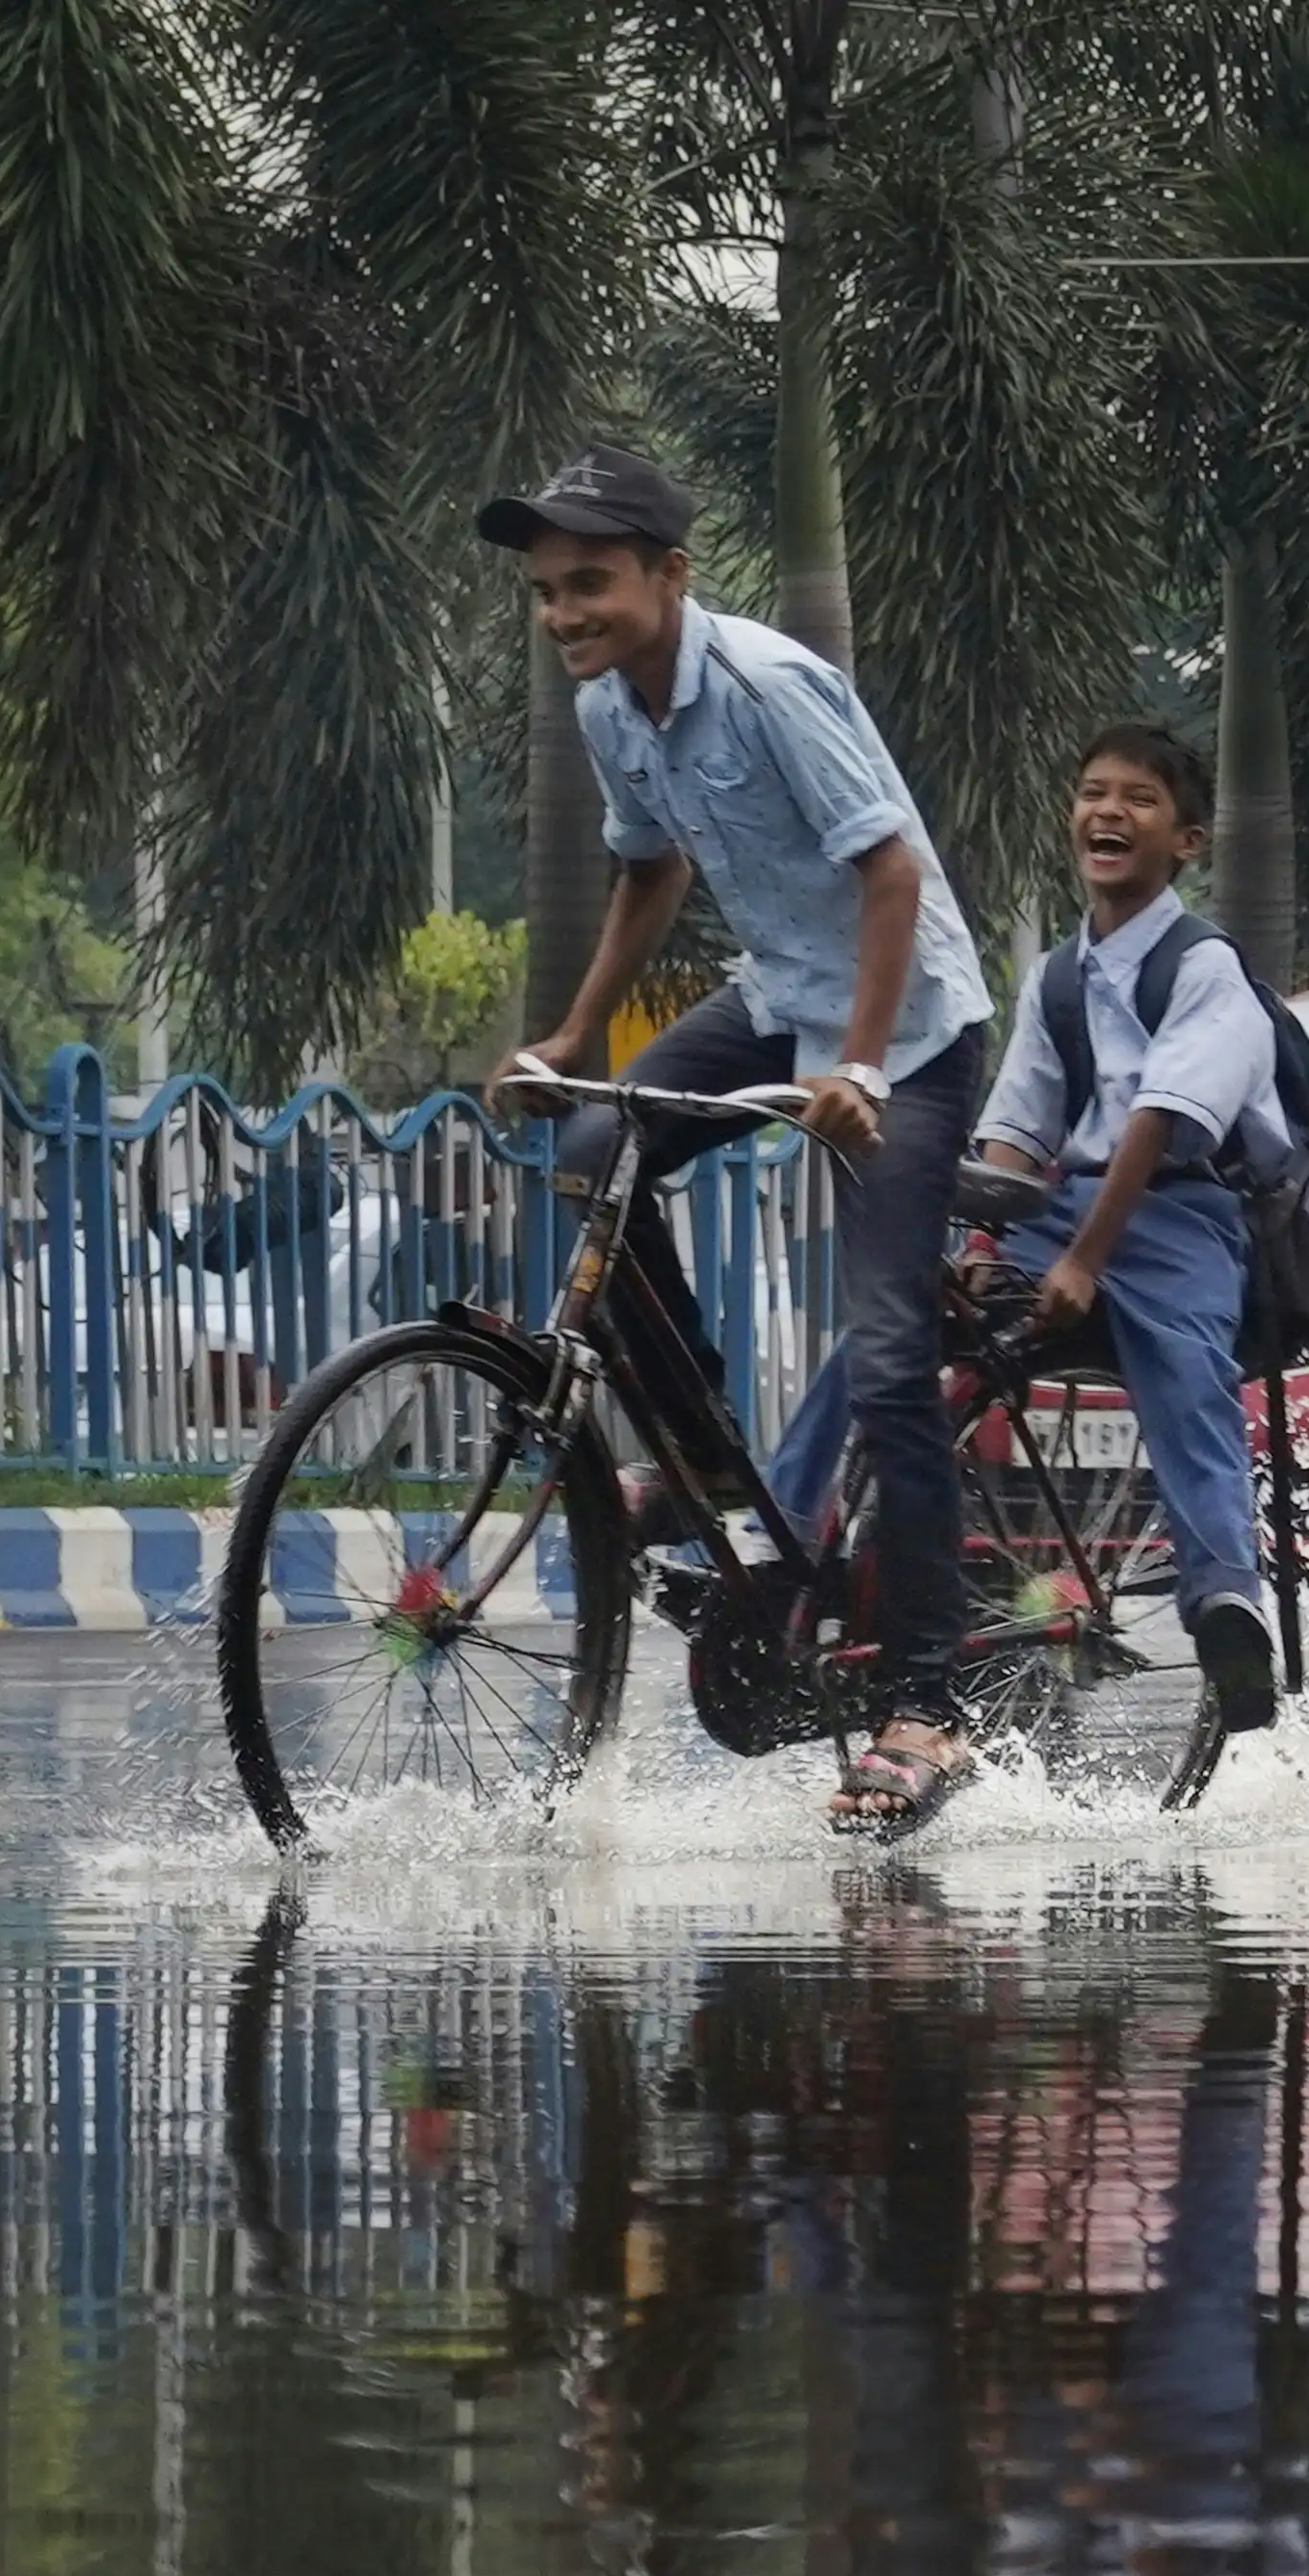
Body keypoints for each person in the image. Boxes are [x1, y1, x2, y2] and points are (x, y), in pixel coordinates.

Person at [478, 444, 998, 1838]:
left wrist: (867, 1069)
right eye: (547, 591)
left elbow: (890, 873)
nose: (566, 611)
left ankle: (928, 1710)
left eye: (590, 582)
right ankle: (712, 1471)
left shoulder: (769, 684)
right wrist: (577, 1034)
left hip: (913, 1030)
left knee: (890, 1357)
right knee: (596, 1150)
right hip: (778, 1000)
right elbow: (648, 865)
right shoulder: (608, 708)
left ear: (669, 574)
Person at [880, 717, 1291, 1733]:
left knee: (1188, 1373)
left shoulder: (1206, 971)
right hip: (1062, 1210)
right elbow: (1018, 1132)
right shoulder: (1060, 978)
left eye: (1140, 800)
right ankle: (794, 1545)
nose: (1109, 812)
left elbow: (1165, 1118)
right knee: (888, 1330)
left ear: (1186, 842)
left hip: (1183, 1217)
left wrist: (1085, 1258)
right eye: (1095, 793)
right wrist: (979, 1250)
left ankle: (1226, 1601)